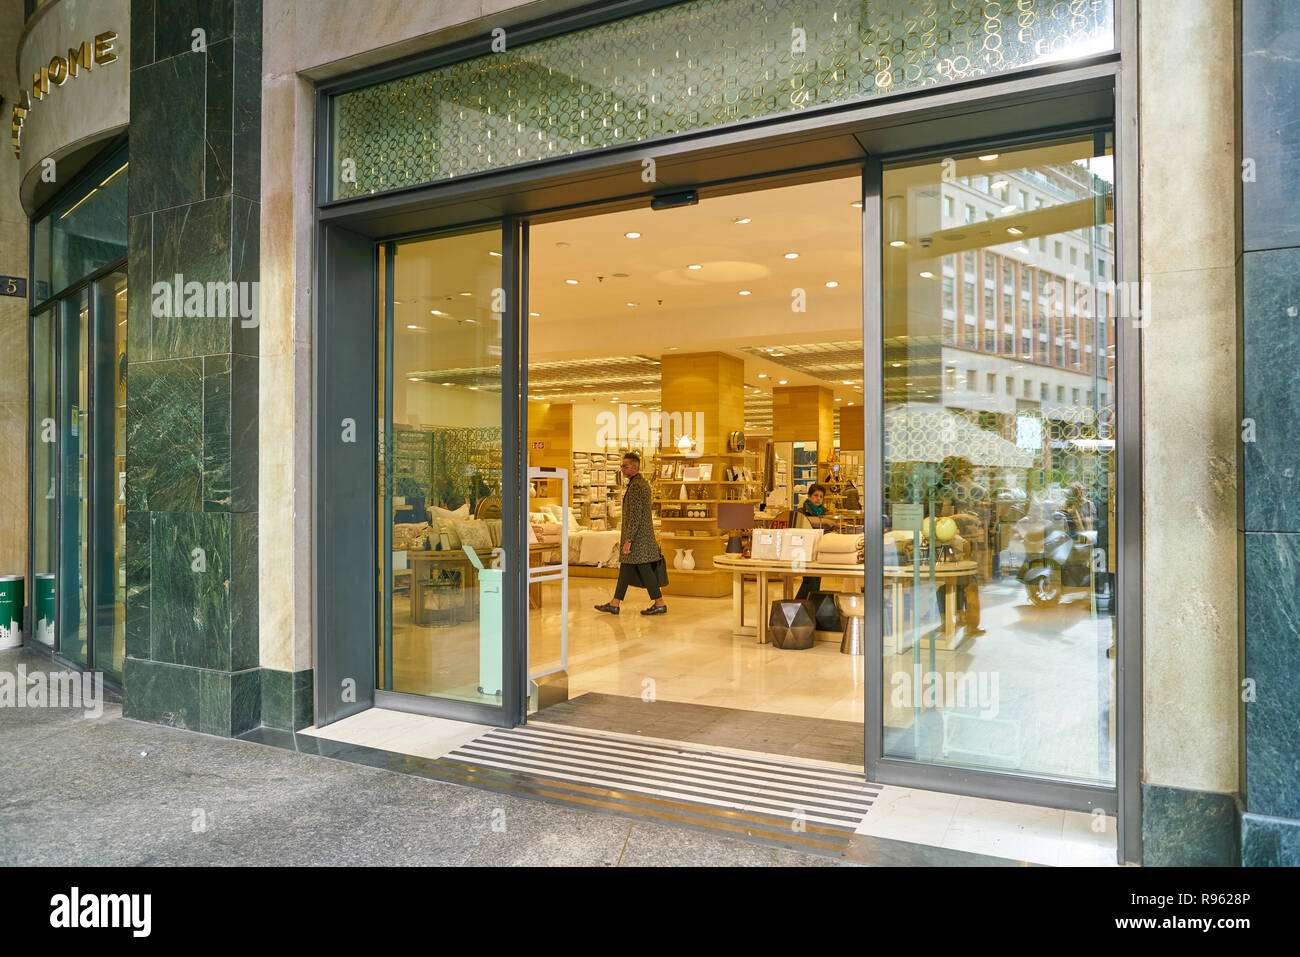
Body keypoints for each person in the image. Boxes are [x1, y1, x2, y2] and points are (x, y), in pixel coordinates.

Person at [595, 451, 667, 616]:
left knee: (644, 569)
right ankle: (615, 603)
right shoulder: (640, 484)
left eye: (625, 466)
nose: (622, 469)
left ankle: (659, 602)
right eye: (622, 466)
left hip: (638, 539)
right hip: (641, 537)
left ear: (634, 467)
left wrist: (629, 540)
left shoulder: (636, 486)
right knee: (626, 569)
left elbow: (635, 515)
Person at [794, 483, 837, 600]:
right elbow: (803, 521)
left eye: (821, 496)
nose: (818, 498)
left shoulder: (824, 512)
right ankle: (798, 607)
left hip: (819, 550)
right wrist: (824, 521)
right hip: (806, 551)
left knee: (816, 581)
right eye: (815, 495)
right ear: (809, 496)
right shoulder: (802, 511)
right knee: (809, 581)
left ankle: (808, 608)